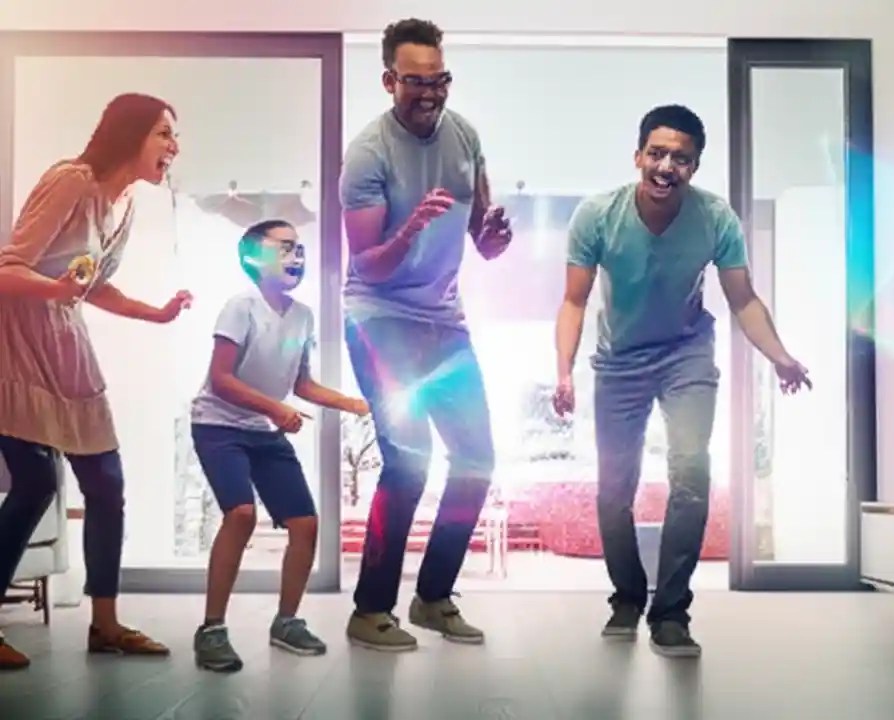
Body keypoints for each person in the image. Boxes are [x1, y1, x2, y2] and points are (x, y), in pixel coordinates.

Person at [553, 105, 812, 658]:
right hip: (618, 360)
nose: (667, 166)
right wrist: (563, 372)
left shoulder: (716, 218)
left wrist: (780, 357)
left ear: (695, 167)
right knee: (613, 490)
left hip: (686, 353)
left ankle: (671, 612)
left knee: (691, 473)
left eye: (681, 158)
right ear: (638, 156)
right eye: (657, 153)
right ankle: (627, 597)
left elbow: (742, 299)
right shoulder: (598, 215)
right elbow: (574, 301)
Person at [338, 18, 513, 652]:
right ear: (390, 81)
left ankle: (434, 596)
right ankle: (370, 608)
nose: (430, 94)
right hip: (379, 319)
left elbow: (480, 237)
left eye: (438, 80)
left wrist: (491, 239)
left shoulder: (465, 136)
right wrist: (408, 228)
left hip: (444, 321)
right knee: (409, 461)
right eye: (415, 82)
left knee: (476, 460)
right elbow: (367, 265)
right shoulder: (368, 154)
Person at [0, 93, 192, 670]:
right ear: (130, 134)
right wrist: (57, 291)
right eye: (163, 134)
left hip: (63, 341)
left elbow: (95, 286)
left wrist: (153, 313)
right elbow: (9, 267)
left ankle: (105, 624)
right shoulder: (72, 180)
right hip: (15, 346)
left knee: (106, 483)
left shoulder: (125, 203)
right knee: (35, 483)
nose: (173, 147)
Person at [188, 220, 371, 672]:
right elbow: (221, 380)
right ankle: (211, 629)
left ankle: (287, 622)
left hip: (264, 430)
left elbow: (301, 383)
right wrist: (274, 409)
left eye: (299, 248)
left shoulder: (302, 315)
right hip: (218, 426)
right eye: (285, 247)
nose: (296, 256)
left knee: (305, 524)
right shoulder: (240, 307)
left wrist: (352, 403)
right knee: (241, 515)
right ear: (257, 256)